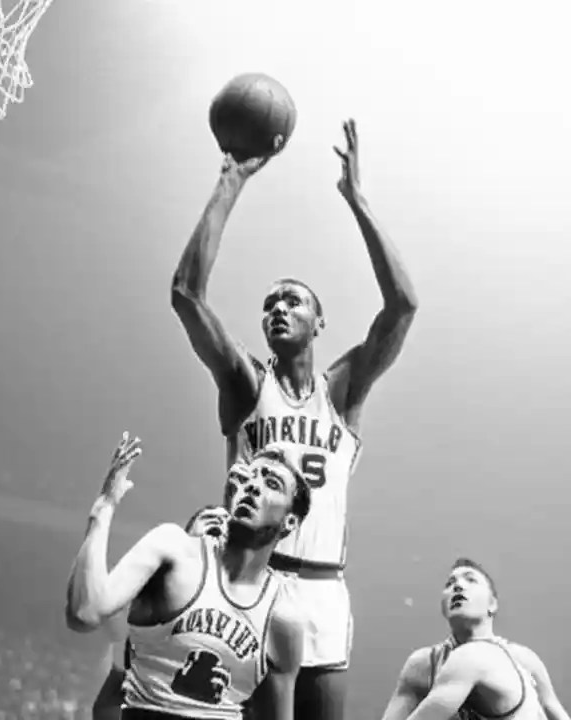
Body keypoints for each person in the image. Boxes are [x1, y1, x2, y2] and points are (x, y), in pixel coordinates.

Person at [170, 118, 418, 719]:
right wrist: (230, 181)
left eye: (292, 301)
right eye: (268, 304)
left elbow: (403, 305)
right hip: (251, 577)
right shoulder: (244, 381)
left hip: (323, 587)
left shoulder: (344, 390)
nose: (277, 309)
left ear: (318, 322)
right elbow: (186, 294)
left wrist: (357, 201)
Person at [67, 434, 311, 720]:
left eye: (271, 484)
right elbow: (84, 611)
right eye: (250, 476)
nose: (254, 486)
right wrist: (103, 508)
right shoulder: (172, 548)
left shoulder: (284, 616)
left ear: (290, 522)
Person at [377, 559, 571, 720]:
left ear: (492, 604)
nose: (458, 586)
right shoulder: (421, 665)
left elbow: (554, 709)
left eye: (470, 580)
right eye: (450, 583)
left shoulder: (522, 659)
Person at [92, 503, 232, 720]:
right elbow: (109, 700)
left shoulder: (254, 610)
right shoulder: (151, 605)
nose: (219, 521)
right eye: (209, 517)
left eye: (227, 521)